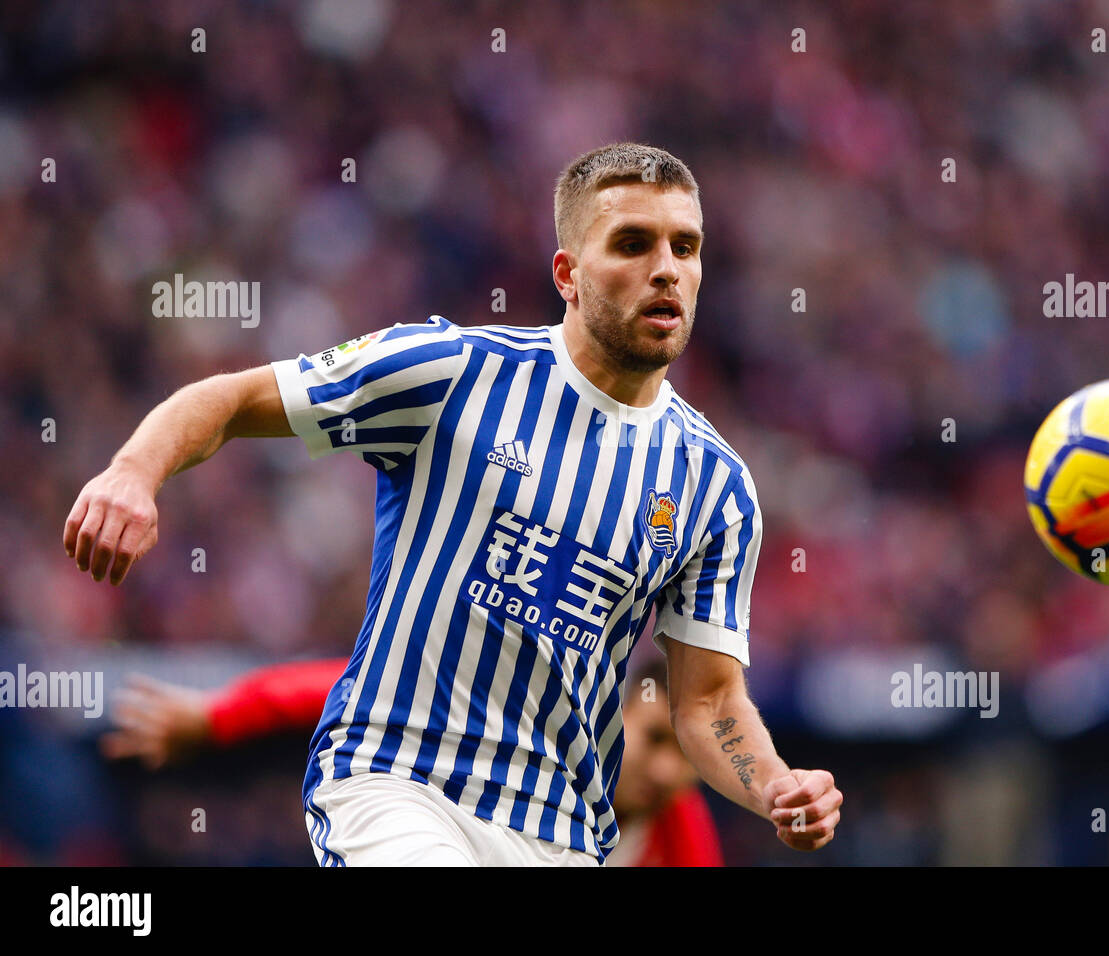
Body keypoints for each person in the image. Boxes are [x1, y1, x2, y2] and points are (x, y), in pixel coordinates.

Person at [64, 142, 842, 866]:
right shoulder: (452, 372)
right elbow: (234, 398)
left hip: (562, 833)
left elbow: (707, 701)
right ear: (568, 274)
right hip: (398, 784)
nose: (667, 269)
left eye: (686, 246)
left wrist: (773, 783)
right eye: (634, 244)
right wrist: (132, 473)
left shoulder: (715, 486)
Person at [102, 655, 724, 866]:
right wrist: (216, 719)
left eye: (689, 754)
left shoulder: (679, 829)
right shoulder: (519, 733)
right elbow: (357, 688)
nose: (668, 772)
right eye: (655, 741)